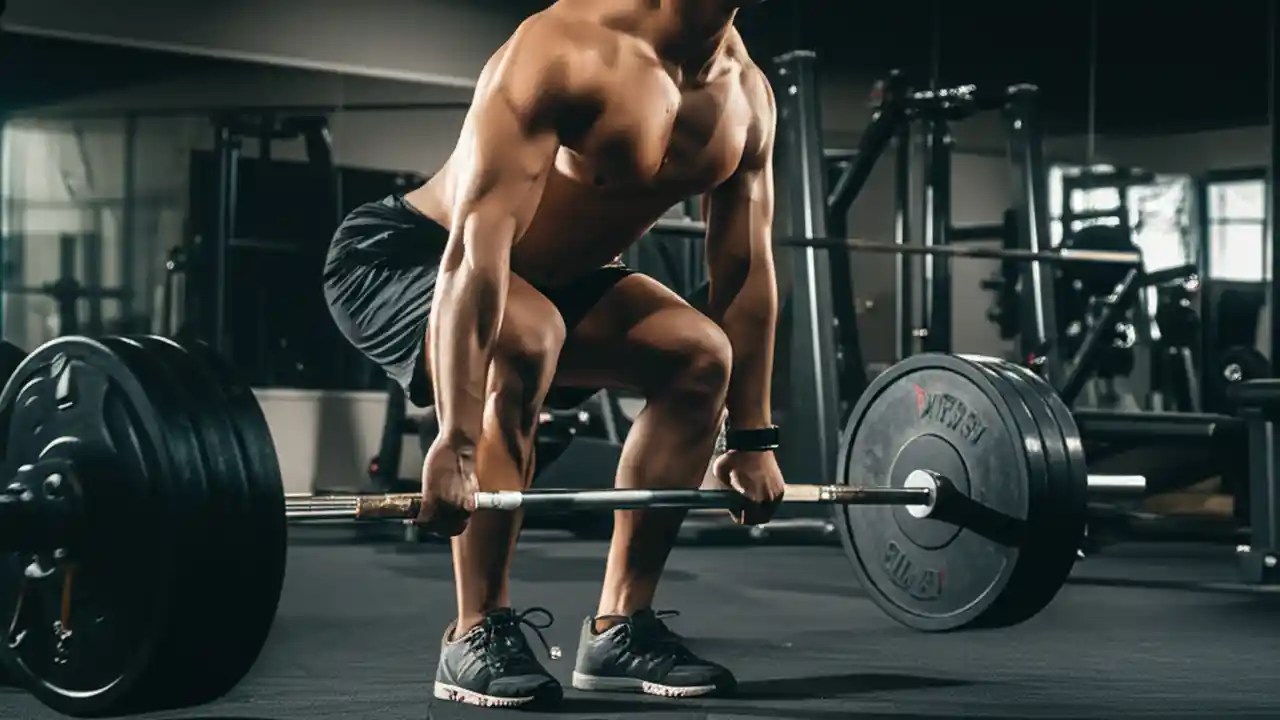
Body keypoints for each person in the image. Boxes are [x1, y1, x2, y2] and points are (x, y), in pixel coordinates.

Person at [323, 0, 783, 709]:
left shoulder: (744, 94)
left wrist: (751, 437)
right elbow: (475, 251)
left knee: (701, 356)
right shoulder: (564, 50)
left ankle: (620, 627)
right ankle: (473, 631)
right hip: (411, 256)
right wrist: (456, 440)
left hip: (556, 284)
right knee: (527, 335)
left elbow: (746, 271)